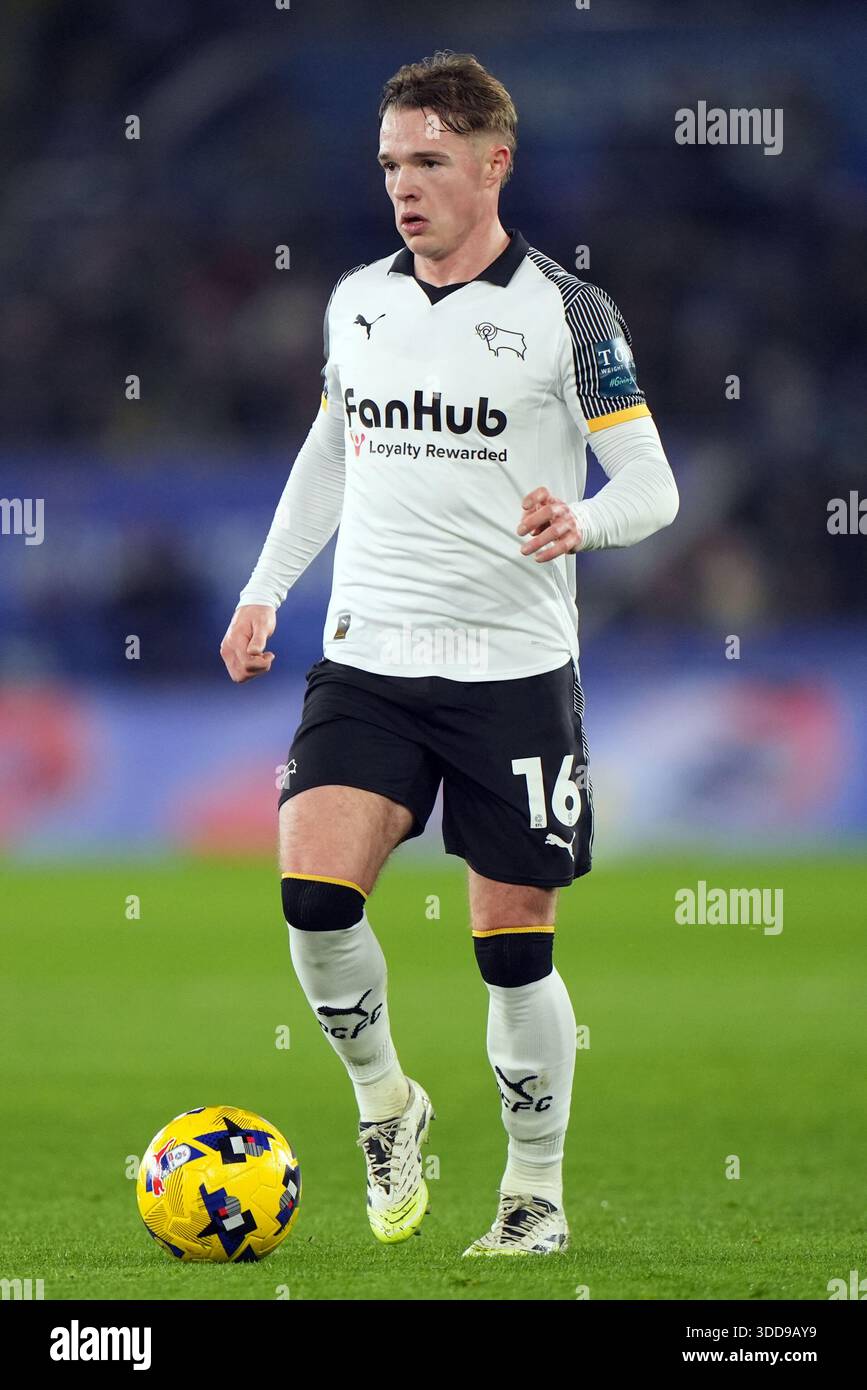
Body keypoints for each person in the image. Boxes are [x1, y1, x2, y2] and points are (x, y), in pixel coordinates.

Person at [220, 50, 678, 1256]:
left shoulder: (569, 313)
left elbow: (653, 483)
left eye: (428, 161)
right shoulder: (356, 300)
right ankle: (387, 1101)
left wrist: (582, 519)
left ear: (493, 163)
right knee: (315, 899)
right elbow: (332, 450)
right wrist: (267, 590)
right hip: (369, 654)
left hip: (513, 671)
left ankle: (534, 1194)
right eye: (388, 165)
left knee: (514, 949)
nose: (404, 187)